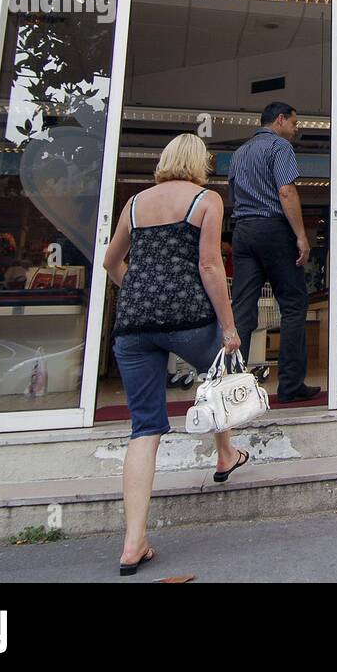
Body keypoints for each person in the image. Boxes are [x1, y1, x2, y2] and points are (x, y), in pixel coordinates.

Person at [102, 133, 250, 576]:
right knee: (222, 379)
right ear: (200, 163)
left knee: (144, 429)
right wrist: (228, 326)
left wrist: (141, 293)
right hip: (188, 320)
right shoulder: (206, 200)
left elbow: (111, 263)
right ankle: (225, 454)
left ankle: (133, 543)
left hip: (134, 326)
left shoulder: (133, 204)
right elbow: (209, 265)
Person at [228, 101, 319, 402]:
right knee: (293, 304)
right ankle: (291, 385)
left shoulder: (239, 153)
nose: (296, 129)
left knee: (242, 308)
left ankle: (231, 385)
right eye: (294, 123)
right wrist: (301, 236)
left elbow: (233, 194)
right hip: (273, 228)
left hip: (243, 231)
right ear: (280, 120)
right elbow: (286, 191)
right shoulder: (280, 148)